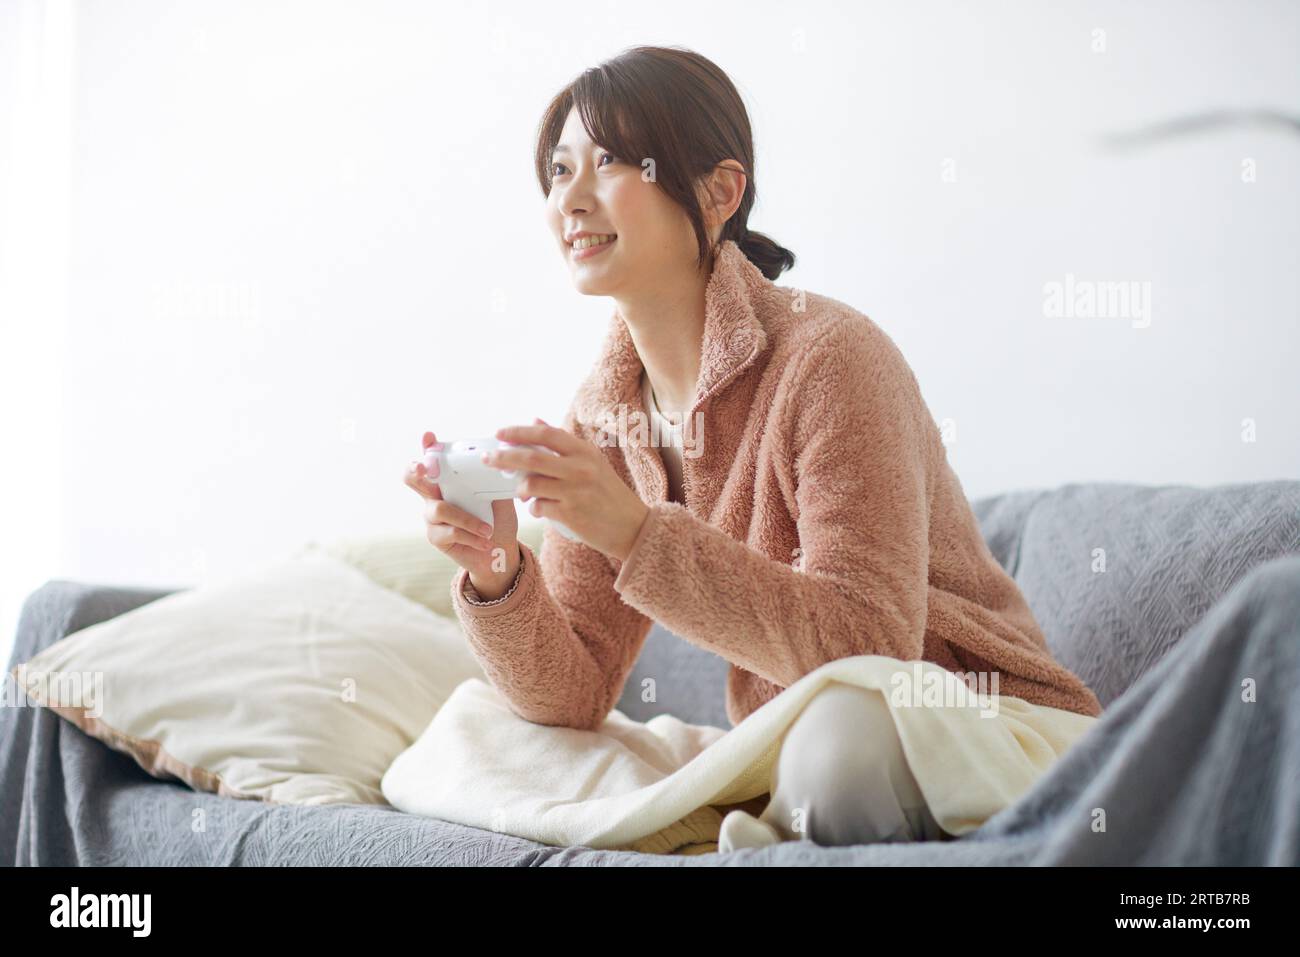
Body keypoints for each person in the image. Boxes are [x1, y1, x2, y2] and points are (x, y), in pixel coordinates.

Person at [402, 45, 1103, 849]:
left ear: (719, 191)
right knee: (476, 730)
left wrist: (634, 533)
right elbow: (576, 694)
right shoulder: (603, 416)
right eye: (559, 171)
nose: (573, 198)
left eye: (612, 162)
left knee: (838, 740)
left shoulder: (831, 358)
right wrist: (498, 575)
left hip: (974, 722)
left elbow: (867, 647)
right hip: (801, 743)